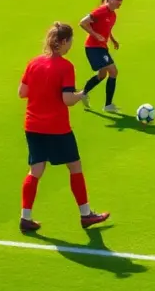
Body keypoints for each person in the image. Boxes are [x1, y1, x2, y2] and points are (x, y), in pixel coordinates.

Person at [17, 22, 111, 233]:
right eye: (71, 41)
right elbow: (67, 99)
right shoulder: (66, 67)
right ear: (64, 42)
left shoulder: (33, 63)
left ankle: (26, 217)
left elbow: (22, 92)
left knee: (36, 170)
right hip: (57, 128)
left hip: (33, 126)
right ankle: (86, 215)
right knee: (75, 167)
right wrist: (80, 95)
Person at [79, 0, 123, 112]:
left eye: (121, 0)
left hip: (101, 47)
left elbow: (107, 29)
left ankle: (83, 93)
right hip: (93, 47)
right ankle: (108, 105)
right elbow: (82, 23)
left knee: (102, 75)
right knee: (113, 72)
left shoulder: (113, 14)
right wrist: (95, 35)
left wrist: (113, 40)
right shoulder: (101, 11)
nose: (120, 2)